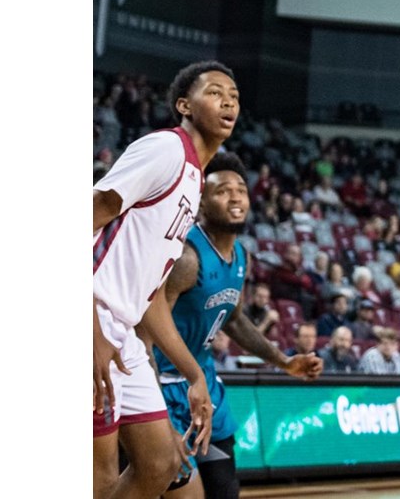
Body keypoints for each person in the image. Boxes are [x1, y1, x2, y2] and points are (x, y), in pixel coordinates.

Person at [140, 149, 324, 499]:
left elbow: (234, 319)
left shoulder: (241, 255)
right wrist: (155, 413)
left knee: (224, 490)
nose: (236, 197)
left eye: (240, 189)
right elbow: (144, 336)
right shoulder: (186, 258)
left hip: (204, 388)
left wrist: (283, 361)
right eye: (223, 191)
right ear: (202, 203)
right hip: (163, 387)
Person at [93, 61, 236, 499]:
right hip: (94, 316)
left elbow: (150, 295)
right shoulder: (166, 149)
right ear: (184, 105)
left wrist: (194, 375)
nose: (228, 102)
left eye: (233, 96)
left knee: (161, 462)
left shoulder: (193, 181)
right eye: (214, 92)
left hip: (123, 331)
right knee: (99, 480)